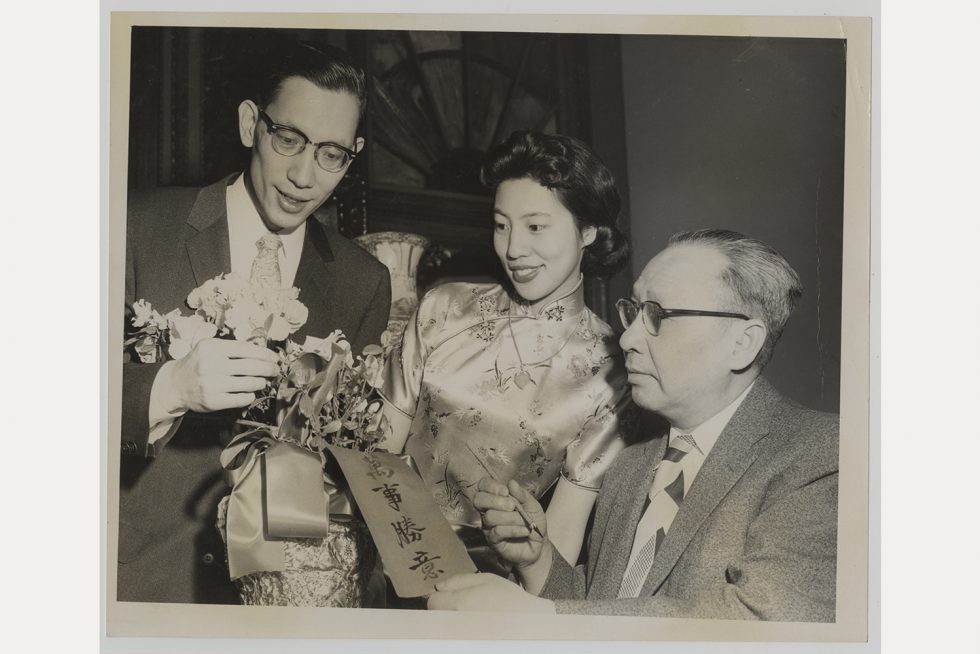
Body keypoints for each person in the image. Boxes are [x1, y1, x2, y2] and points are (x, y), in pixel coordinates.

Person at [428, 229, 839, 622]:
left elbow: (763, 618)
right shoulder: (630, 463)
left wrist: (538, 617)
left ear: (742, 343)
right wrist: (539, 562)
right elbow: (605, 605)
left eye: (658, 314)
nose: (627, 339)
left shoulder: (822, 456)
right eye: (634, 311)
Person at [118, 42, 392, 604]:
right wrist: (171, 387)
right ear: (250, 124)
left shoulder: (364, 282)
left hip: (283, 602)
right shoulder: (136, 228)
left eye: (332, 154)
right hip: (139, 586)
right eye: (288, 139)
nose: (303, 176)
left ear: (353, 153)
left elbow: (352, 469)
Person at [380, 131, 634, 567]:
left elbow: (562, 538)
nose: (514, 249)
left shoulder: (612, 371)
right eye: (502, 226)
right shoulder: (444, 307)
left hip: (492, 584)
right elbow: (377, 453)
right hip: (388, 548)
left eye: (536, 227)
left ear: (588, 231)